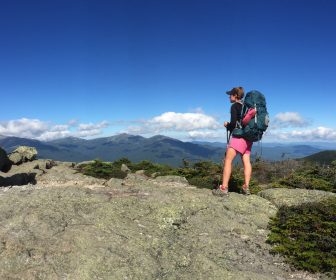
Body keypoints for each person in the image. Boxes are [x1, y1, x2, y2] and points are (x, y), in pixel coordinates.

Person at [212, 86, 252, 196]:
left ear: (235, 96)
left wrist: (227, 125)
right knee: (246, 162)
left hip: (238, 137)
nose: (229, 97)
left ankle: (224, 188)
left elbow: (233, 123)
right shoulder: (248, 107)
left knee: (228, 160)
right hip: (249, 138)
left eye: (230, 95)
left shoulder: (235, 106)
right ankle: (246, 187)